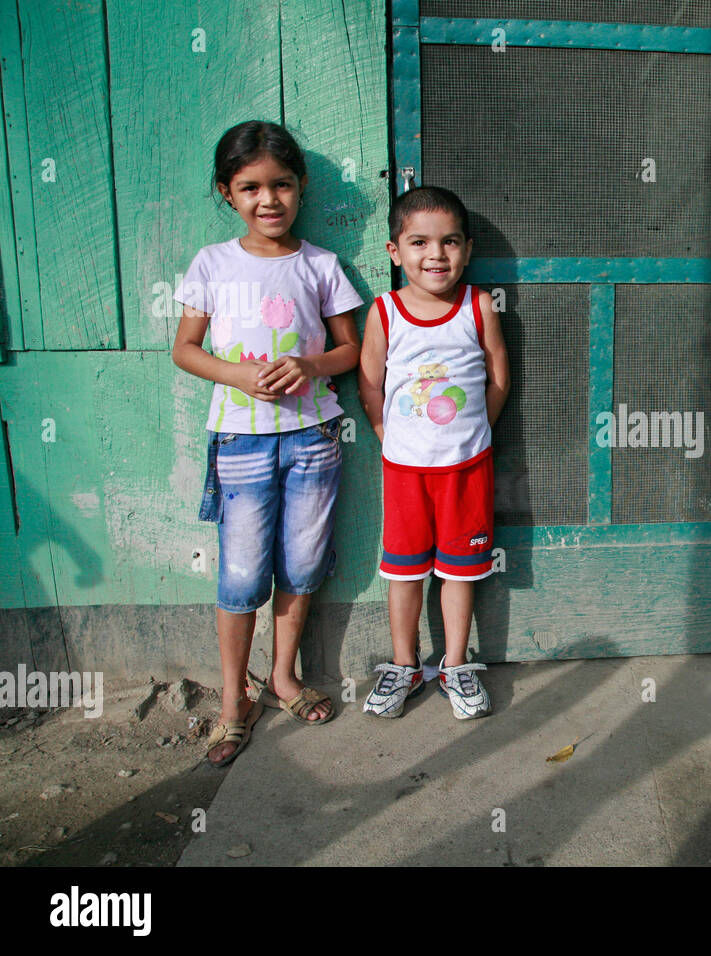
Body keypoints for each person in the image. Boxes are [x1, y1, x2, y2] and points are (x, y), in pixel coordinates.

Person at [172, 120, 363, 766]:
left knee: (302, 565)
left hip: (311, 438)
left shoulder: (319, 265)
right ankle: (233, 700)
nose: (268, 199)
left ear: (301, 188)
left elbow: (351, 349)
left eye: (281, 185)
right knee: (240, 575)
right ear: (227, 192)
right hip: (242, 442)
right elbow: (185, 350)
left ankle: (281, 677)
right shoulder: (213, 264)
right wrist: (238, 374)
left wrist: (311, 367)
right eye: (250, 187)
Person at [357, 186, 509, 719]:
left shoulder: (478, 305)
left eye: (449, 242)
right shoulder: (385, 311)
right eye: (419, 242)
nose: (435, 255)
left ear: (466, 249)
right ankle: (404, 665)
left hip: (466, 469)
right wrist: (388, 437)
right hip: (404, 472)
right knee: (403, 572)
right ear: (395, 251)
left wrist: (471, 436)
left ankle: (453, 664)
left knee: (461, 572)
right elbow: (370, 384)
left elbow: (497, 378)